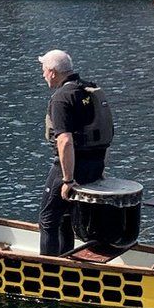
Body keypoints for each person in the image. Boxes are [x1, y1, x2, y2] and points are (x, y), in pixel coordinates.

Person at [37, 49, 113, 256]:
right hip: (95, 165)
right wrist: (100, 168)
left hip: (72, 168)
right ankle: (65, 260)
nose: (42, 74)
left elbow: (65, 141)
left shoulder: (62, 98)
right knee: (66, 217)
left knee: (48, 220)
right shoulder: (90, 88)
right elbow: (102, 131)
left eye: (43, 70)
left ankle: (49, 271)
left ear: (52, 72)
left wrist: (67, 180)